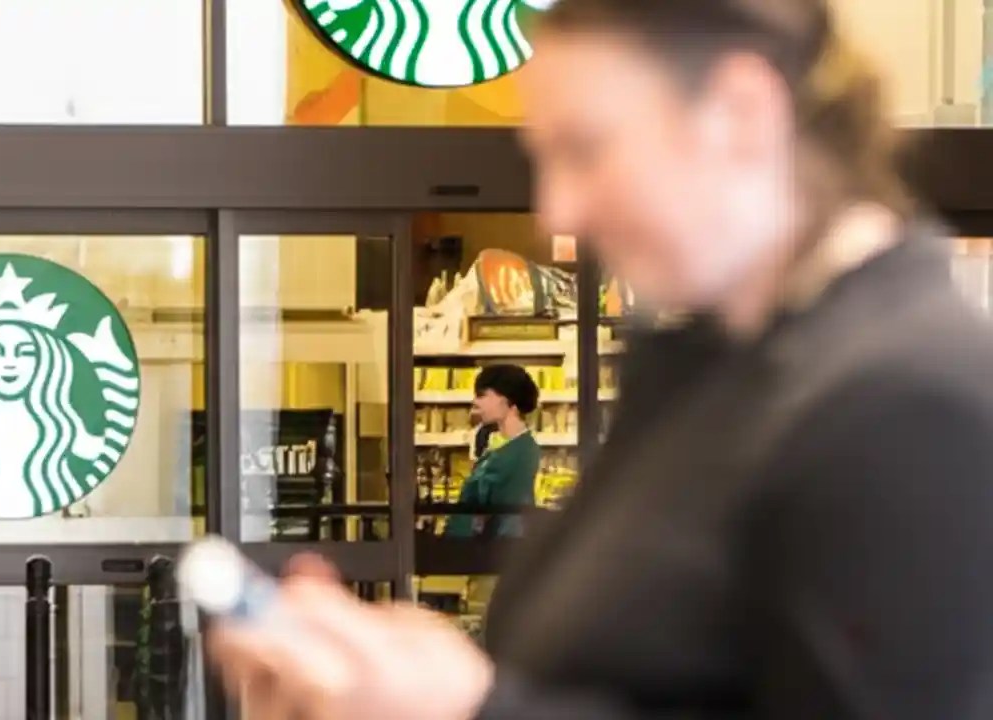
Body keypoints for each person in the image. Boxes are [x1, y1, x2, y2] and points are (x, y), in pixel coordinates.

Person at [206, 0, 993, 717]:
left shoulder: (912, 402)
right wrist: (413, 672)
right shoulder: (705, 379)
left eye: (584, 149)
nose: (558, 208)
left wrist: (469, 707)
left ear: (742, 113)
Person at [444, 364, 542, 538]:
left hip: (489, 551)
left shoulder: (522, 451)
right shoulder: (494, 442)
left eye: (482, 395)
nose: (475, 402)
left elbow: (510, 516)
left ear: (506, 400)